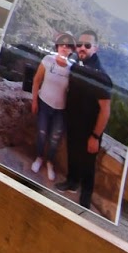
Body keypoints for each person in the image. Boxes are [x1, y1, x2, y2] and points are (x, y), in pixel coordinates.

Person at [57, 31, 113, 210]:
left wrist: (95, 136)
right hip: (73, 123)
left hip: (89, 130)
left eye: (87, 45)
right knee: (72, 154)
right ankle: (71, 183)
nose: (82, 48)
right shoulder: (76, 66)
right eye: (80, 44)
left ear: (95, 48)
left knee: (88, 166)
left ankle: (85, 201)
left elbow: (105, 110)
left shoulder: (101, 76)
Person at [30, 33, 75, 183]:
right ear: (58, 46)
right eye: (62, 44)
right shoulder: (48, 60)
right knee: (42, 133)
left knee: (55, 138)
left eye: (68, 46)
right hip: (44, 103)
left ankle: (50, 162)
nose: (64, 47)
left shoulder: (71, 69)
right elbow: (37, 80)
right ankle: (39, 158)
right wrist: (34, 100)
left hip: (60, 110)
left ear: (71, 50)